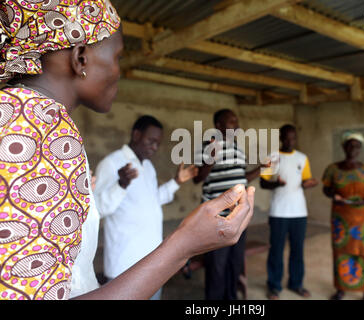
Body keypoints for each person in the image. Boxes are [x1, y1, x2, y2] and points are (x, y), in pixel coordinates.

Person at [0, 0, 254, 300]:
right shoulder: (32, 126)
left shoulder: (28, 117)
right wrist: (184, 244)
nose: (120, 71)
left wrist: (177, 184)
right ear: (80, 58)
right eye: (118, 56)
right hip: (125, 267)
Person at [93, 115, 198, 300]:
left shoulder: (148, 166)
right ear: (136, 135)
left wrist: (176, 182)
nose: (155, 147)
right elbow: (98, 209)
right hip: (124, 264)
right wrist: (121, 185)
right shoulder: (112, 163)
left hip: (151, 261)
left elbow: (152, 200)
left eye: (158, 143)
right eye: (151, 140)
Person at [193, 108, 266, 300]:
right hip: (216, 218)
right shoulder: (207, 147)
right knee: (217, 266)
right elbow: (197, 178)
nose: (237, 125)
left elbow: (241, 179)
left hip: (238, 216)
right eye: (232, 121)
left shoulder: (237, 149)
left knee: (234, 264)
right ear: (219, 125)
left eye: (237, 121)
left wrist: (260, 169)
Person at [260, 124, 318, 300]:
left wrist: (310, 183)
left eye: (293, 138)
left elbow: (306, 180)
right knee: (276, 250)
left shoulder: (302, 158)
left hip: (299, 212)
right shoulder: (271, 157)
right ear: (280, 138)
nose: (290, 141)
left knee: (297, 250)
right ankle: (274, 286)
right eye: (286, 138)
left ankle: (296, 283)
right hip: (279, 212)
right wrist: (276, 183)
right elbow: (263, 183)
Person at [322, 131, 364, 300]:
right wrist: (333, 195)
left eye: (357, 146)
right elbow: (326, 189)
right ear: (343, 147)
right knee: (341, 252)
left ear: (360, 149)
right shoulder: (332, 169)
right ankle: (341, 288)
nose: (353, 149)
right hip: (342, 219)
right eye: (350, 145)